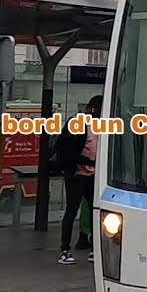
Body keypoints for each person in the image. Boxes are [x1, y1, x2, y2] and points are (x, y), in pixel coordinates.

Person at [57, 95, 102, 265]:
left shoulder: (99, 125)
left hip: (92, 173)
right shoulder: (77, 124)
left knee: (94, 209)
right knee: (72, 209)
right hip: (76, 173)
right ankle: (64, 249)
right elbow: (68, 153)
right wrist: (89, 162)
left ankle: (94, 247)